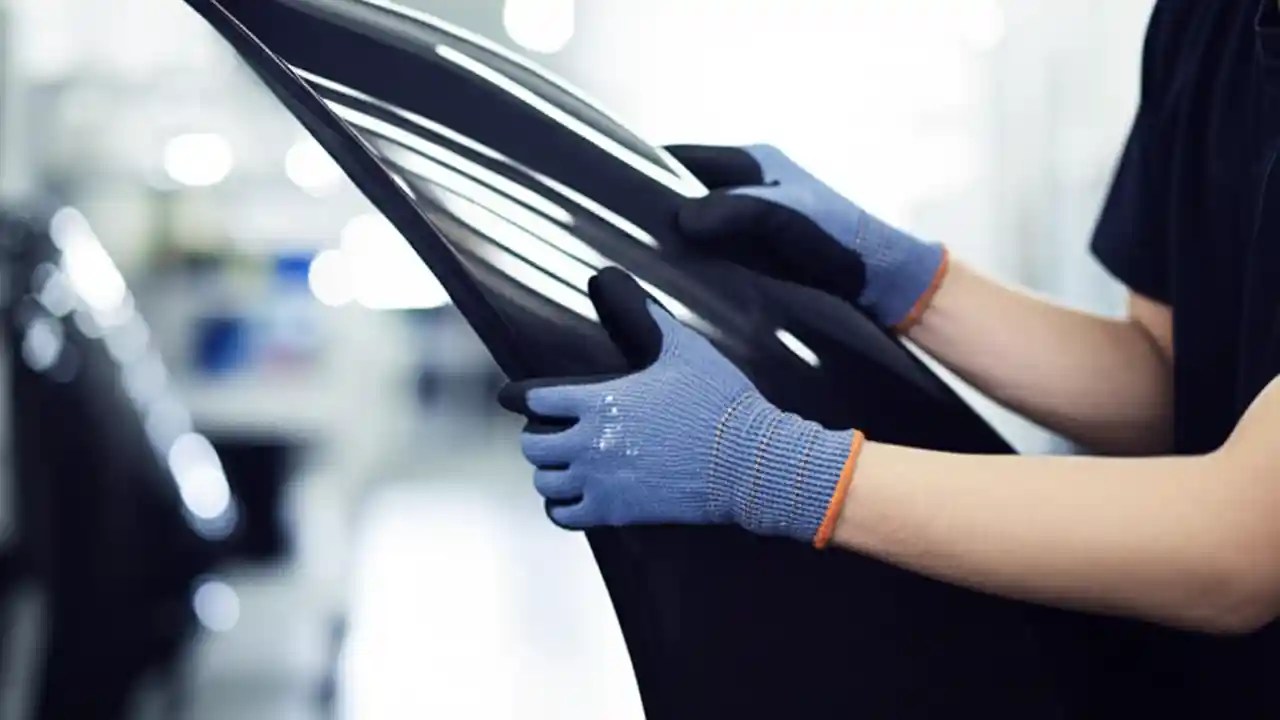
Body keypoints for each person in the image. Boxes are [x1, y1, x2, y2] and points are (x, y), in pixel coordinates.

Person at [502, 0, 1280, 640]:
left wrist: (771, 466)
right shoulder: (1201, 23)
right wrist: (908, 281)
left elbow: (1244, 544)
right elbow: (1170, 392)